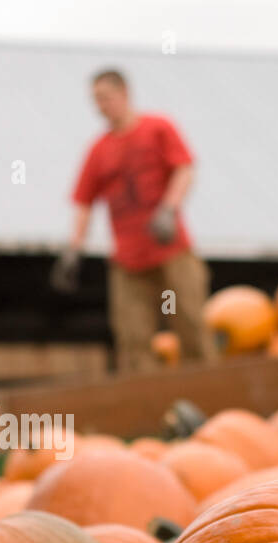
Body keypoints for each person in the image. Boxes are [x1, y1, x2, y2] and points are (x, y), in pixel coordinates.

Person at [52, 68, 215, 372]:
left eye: (104, 97)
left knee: (190, 323)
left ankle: (208, 395)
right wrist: (74, 250)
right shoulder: (98, 150)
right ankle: (149, 407)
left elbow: (185, 169)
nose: (99, 106)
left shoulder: (158, 128)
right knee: (132, 337)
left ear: (124, 93)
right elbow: (84, 203)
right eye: (95, 100)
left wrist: (169, 208)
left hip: (171, 250)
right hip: (128, 261)